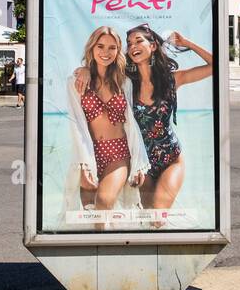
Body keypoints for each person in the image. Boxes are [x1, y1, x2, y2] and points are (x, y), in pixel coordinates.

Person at [75, 24, 213, 219]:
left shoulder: (171, 80)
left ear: (153, 46)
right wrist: (84, 70)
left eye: (138, 41)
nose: (133, 46)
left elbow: (215, 66)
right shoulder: (126, 83)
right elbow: (102, 67)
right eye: (129, 43)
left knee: (157, 215)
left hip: (171, 158)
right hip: (141, 161)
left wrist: (186, 43)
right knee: (148, 218)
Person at [64, 27, 149, 229]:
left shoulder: (124, 82)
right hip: (89, 154)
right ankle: (101, 247)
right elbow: (75, 124)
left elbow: (132, 125)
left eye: (112, 47)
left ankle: (106, 247)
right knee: (89, 213)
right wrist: (83, 164)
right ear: (92, 48)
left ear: (118, 51)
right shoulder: (76, 82)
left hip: (118, 153)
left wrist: (139, 163)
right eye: (100, 46)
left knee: (102, 202)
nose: (106, 52)